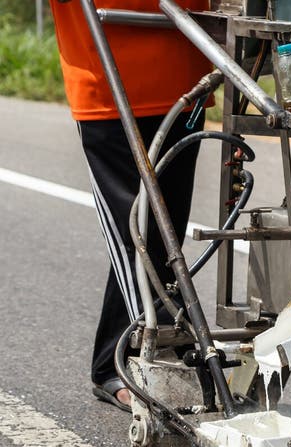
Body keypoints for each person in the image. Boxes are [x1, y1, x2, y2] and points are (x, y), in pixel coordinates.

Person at [49, 0, 212, 410]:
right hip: (106, 79)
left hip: (183, 79)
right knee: (133, 236)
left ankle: (115, 360)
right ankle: (159, 353)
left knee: (164, 231)